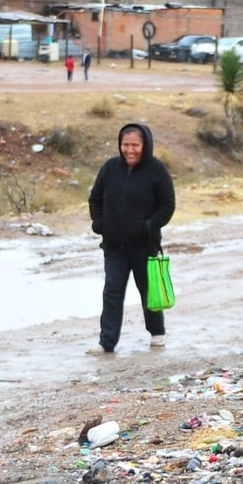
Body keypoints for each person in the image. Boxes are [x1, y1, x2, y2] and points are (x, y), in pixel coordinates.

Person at [87, 123, 176, 353]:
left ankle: (157, 332)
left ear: (144, 145)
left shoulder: (157, 170)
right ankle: (107, 342)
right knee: (112, 291)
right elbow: (95, 198)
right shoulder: (110, 168)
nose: (130, 150)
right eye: (125, 145)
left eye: (135, 145)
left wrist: (150, 226)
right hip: (114, 246)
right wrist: (99, 223)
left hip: (144, 246)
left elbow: (167, 204)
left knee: (148, 290)